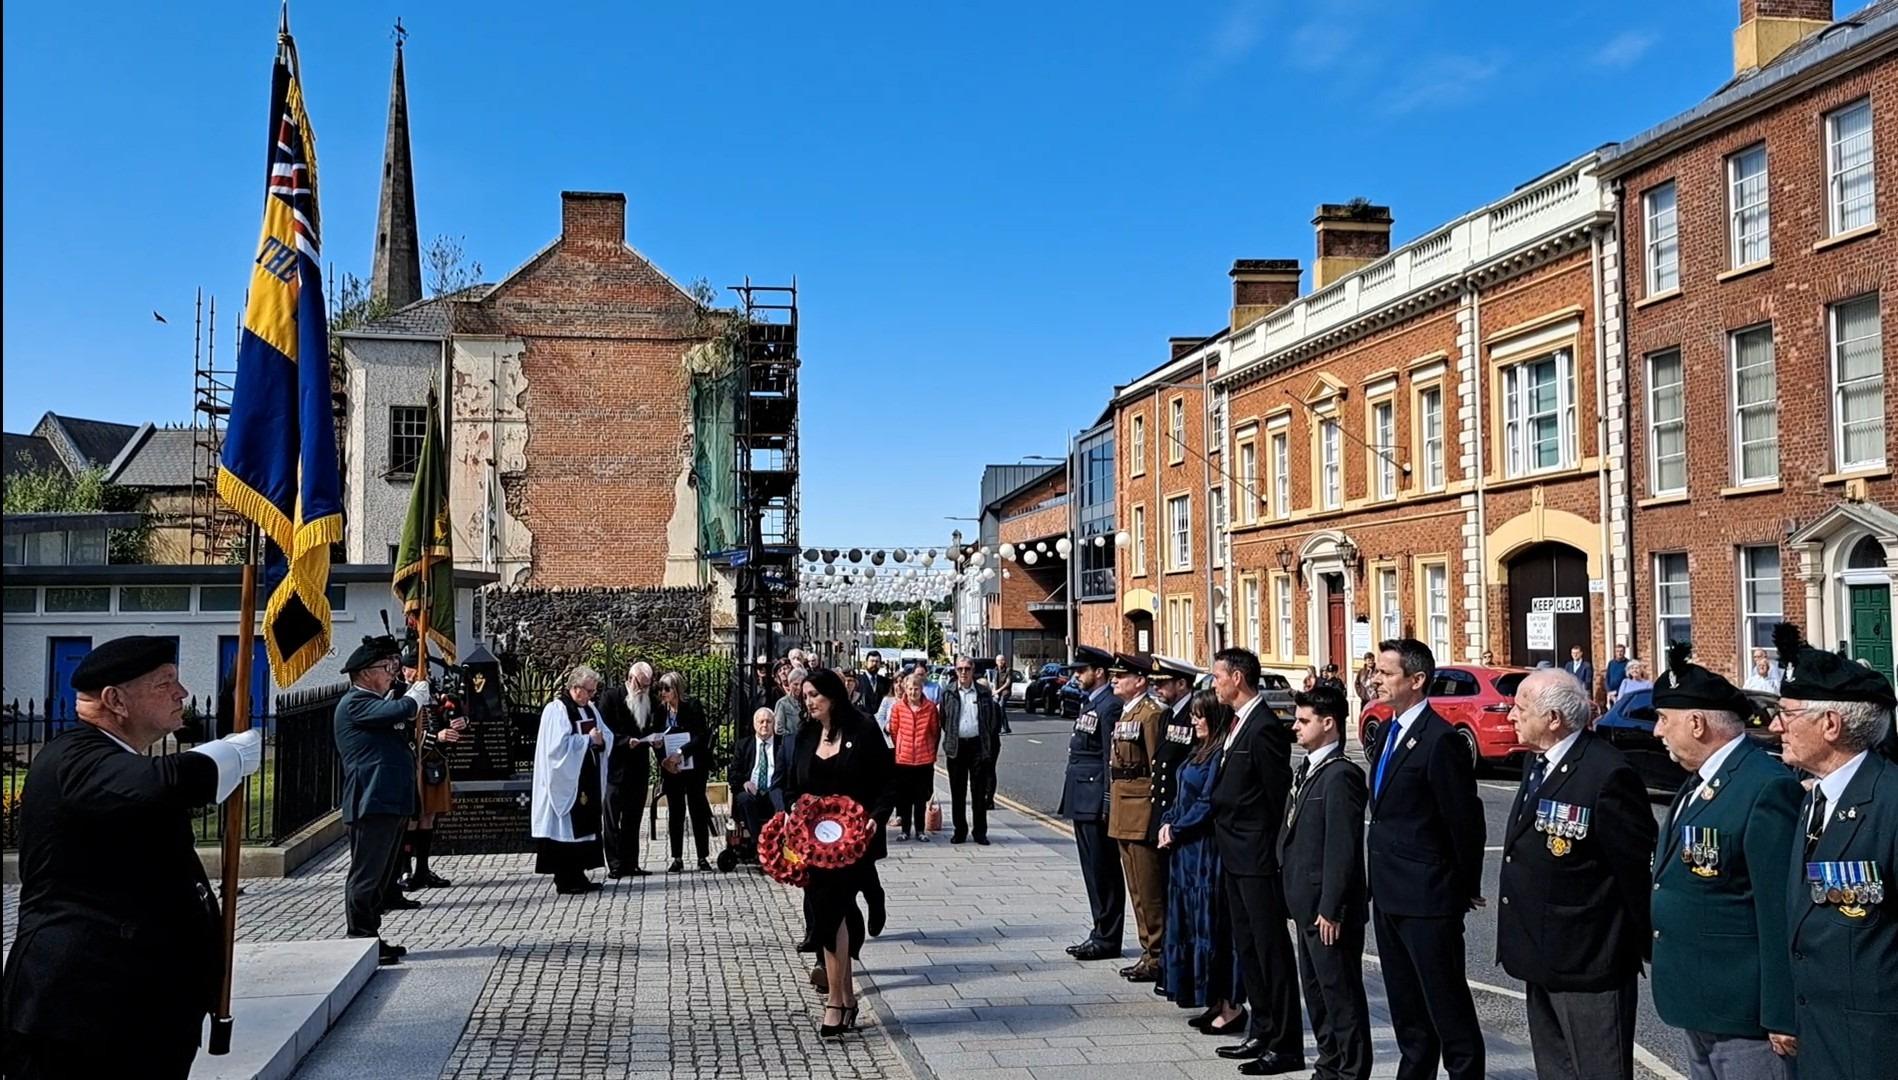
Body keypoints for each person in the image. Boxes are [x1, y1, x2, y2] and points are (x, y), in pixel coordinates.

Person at [2, 636, 263, 1079]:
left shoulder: (109, 756)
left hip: (131, 1015)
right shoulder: (74, 758)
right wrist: (228, 756)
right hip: (84, 1019)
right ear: (115, 700)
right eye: (165, 684)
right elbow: (161, 784)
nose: (182, 694)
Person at [1648, 640, 1801, 1080]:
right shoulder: (1699, 781)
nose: (1658, 732)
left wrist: (1780, 1012)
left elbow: (1777, 910)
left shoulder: (1763, 786)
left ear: (1697, 723)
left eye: (1664, 720)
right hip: (1698, 1001)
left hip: (1743, 1012)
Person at [1497, 669, 1656, 1080]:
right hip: (1540, 955)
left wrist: (1634, 944)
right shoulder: (1538, 761)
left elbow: (1634, 872)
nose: (1511, 716)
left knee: (1598, 1070)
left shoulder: (1606, 772)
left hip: (1590, 960)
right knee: (1555, 1070)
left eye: (1520, 708)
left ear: (1553, 719)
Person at [1768, 622, 1897, 1080]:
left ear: (1830, 724)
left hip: (1875, 1047)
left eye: (1787, 713)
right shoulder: (1815, 798)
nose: (1774, 725)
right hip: (1814, 1035)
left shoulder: (1889, 802)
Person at [1365, 637, 1487, 1080]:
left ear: (1416, 681)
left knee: (1447, 1008)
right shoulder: (1387, 732)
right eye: (1376, 671)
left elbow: (1465, 821)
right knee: (1407, 1012)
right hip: (1389, 893)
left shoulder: (1439, 740)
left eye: (1386, 673)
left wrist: (1463, 887)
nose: (1375, 679)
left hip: (1428, 898)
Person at [1208, 646, 1304, 1076]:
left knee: (1271, 952)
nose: (1214, 685)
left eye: (1218, 677)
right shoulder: (1236, 722)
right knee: (1248, 948)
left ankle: (1285, 1044)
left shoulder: (1264, 727)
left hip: (1257, 857)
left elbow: (1274, 795)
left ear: (1238, 678)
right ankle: (1262, 1029)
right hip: (1234, 854)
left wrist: (1269, 854)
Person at [792, 668, 896, 1038]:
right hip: (815, 847)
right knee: (829, 916)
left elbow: (887, 782)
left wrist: (876, 818)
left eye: (815, 695)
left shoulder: (864, 729)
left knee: (834, 914)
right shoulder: (805, 735)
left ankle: (834, 1003)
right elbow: (793, 785)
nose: (809, 701)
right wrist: (794, 812)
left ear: (833, 696)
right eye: (805, 696)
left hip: (853, 844)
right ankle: (847, 998)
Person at [1278, 685, 1371, 1080]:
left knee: (1341, 994)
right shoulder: (1308, 768)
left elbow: (1342, 849)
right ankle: (1328, 1064)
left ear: (1329, 723)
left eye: (1304, 721)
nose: (1296, 728)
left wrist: (1331, 908)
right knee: (1316, 993)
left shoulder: (1341, 776)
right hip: (1304, 904)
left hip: (1327, 909)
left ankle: (1350, 1071)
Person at [333, 635, 434, 959]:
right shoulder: (356, 703)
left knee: (380, 875)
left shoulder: (374, 702)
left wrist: (407, 701)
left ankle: (370, 936)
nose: (393, 672)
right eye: (387, 667)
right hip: (371, 800)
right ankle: (360, 936)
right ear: (365, 673)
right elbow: (398, 710)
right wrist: (414, 698)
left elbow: (396, 714)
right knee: (367, 874)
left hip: (387, 800)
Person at [1158, 688, 1247, 1036]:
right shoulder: (1199, 750)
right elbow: (1181, 795)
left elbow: (1209, 802)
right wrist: (1168, 821)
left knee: (1213, 929)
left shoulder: (1218, 755)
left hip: (1205, 855)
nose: (1193, 721)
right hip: (1184, 853)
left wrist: (1176, 828)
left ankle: (1232, 1006)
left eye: (1199, 715)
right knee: (1192, 926)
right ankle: (1211, 998)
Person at [1059, 645, 1125, 961]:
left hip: (1096, 798)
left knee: (1104, 871)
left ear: (1099, 672)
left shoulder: (1110, 706)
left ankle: (1108, 938)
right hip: (1083, 797)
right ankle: (1099, 932)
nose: (1076, 675)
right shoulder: (1091, 703)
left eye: (1081, 670)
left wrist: (1108, 804)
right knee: (1092, 871)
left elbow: (1109, 759)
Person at [1105, 653, 1168, 983]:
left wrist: (1156, 815)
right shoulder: (1127, 712)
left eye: (1122, 675)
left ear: (1140, 680)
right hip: (1123, 807)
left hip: (1142, 809)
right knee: (1136, 888)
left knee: (1150, 887)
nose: (1114, 679)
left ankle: (1157, 954)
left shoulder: (1151, 714)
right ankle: (1148, 950)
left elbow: (1159, 768)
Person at [531, 665, 612, 894]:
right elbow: (557, 748)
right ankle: (565, 879)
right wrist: (587, 740)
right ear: (575, 688)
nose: (592, 695)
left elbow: (605, 733)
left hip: (586, 776)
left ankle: (579, 874)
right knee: (566, 829)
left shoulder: (590, 709)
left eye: (594, 691)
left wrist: (601, 740)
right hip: (566, 779)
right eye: (588, 690)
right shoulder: (556, 711)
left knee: (585, 827)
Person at [396, 637, 467, 892]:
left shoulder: (435, 694)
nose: (413, 672)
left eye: (418, 666)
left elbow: (447, 718)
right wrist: (436, 737)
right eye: (409, 667)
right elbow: (402, 730)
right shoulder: (399, 695)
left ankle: (422, 870)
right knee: (411, 819)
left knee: (428, 818)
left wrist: (459, 724)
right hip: (413, 762)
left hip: (435, 762)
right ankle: (404, 870)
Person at [597, 661, 655, 878]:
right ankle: (615, 864)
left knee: (633, 819)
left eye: (648, 686)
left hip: (638, 769)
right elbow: (605, 729)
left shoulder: (649, 699)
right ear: (631, 679)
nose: (644, 690)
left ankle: (631, 863)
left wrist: (655, 740)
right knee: (612, 820)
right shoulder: (610, 697)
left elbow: (652, 727)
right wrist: (624, 741)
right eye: (642, 685)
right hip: (615, 768)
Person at [654, 671, 715, 872]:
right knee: (676, 812)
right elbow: (656, 737)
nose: (663, 693)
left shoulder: (692, 706)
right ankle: (677, 857)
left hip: (693, 766)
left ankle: (702, 856)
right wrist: (663, 758)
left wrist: (681, 752)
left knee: (697, 809)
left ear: (677, 689)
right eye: (660, 688)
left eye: (667, 688)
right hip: (672, 769)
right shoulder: (661, 711)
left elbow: (700, 736)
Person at [938, 656, 1000, 844]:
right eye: (960, 669)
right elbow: (944, 720)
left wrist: (987, 744)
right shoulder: (948, 692)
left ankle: (980, 832)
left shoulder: (983, 692)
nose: (963, 672)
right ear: (955, 671)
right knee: (957, 793)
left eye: (967, 669)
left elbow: (991, 720)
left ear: (973, 671)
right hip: (957, 747)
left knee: (979, 793)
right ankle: (960, 831)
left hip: (978, 747)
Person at [728, 707, 792, 855]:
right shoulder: (743, 745)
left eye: (768, 721)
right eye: (761, 721)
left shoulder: (782, 744)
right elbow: (733, 774)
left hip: (774, 790)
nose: (764, 725)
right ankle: (761, 846)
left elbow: (790, 771)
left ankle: (781, 843)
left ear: (774, 724)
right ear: (754, 724)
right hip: (752, 793)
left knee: (781, 797)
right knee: (744, 799)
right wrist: (744, 782)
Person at [886, 670, 941, 841]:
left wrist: (929, 749)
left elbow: (935, 731)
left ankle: (920, 830)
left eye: (916, 688)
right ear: (904, 689)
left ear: (921, 689)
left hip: (924, 759)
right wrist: (902, 747)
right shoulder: (898, 707)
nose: (912, 692)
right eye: (909, 688)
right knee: (904, 797)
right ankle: (905, 831)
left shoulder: (931, 708)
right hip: (903, 759)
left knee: (920, 797)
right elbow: (894, 731)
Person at [776, 667, 809, 741]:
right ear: (789, 684)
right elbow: (779, 729)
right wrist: (794, 736)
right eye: (795, 684)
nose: (799, 688)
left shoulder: (809, 702)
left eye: (802, 684)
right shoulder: (782, 703)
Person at [855, 650, 892, 714]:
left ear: (880, 664)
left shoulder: (885, 682)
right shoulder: (858, 680)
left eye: (877, 661)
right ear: (866, 663)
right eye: (872, 661)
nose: (874, 664)